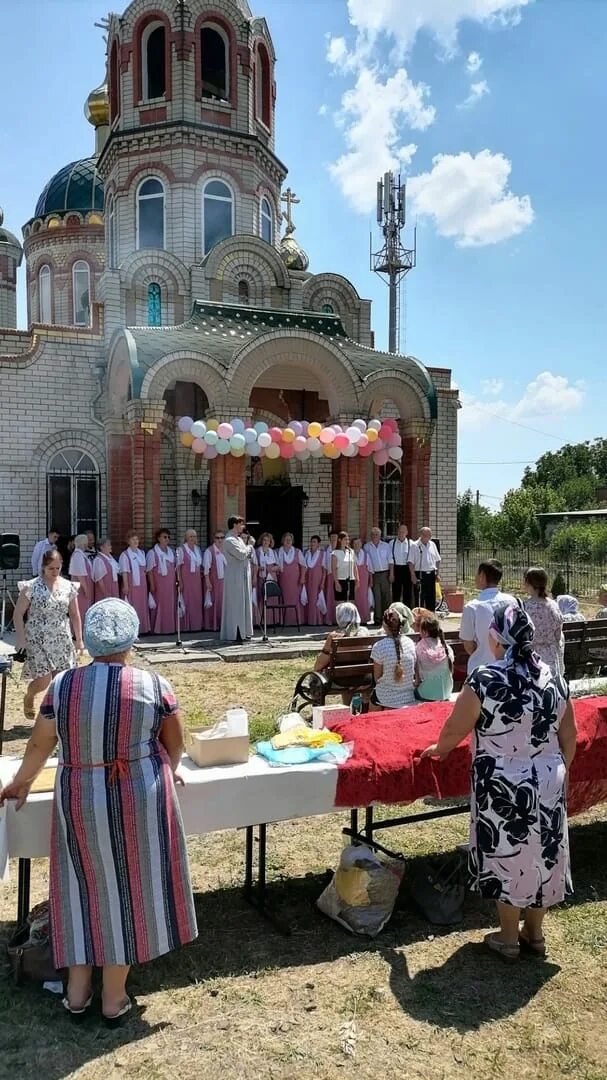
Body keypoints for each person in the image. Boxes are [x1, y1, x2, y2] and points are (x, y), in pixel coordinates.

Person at [0, 598, 197, 1020]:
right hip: (140, 793)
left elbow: (39, 745)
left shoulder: (62, 686)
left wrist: (22, 782)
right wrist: (169, 768)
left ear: (87, 639)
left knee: (78, 886)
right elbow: (175, 742)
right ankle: (113, 998)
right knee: (129, 889)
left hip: (79, 793)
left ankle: (76, 991)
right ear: (130, 639)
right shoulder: (154, 685)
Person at [422, 602, 577, 961]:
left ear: (497, 639)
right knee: (544, 855)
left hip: (503, 782)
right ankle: (534, 934)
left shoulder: (485, 679)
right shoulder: (554, 678)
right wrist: (554, 769)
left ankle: (508, 937)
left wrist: (440, 749)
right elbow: (569, 735)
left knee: (510, 855)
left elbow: (456, 727)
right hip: (548, 778)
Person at [13, 550, 83, 720]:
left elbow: (74, 614)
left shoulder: (69, 586)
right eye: (51, 568)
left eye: (58, 568)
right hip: (37, 639)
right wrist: (21, 639)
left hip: (61, 639)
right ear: (43, 567)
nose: (55, 572)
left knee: (62, 680)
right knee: (43, 680)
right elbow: (17, 614)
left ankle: (57, 715)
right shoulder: (31, 587)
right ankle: (29, 696)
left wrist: (79, 640)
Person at [459, 559, 517, 674]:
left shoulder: (472, 607)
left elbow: (468, 645)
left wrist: (482, 652)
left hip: (481, 669)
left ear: (482, 575)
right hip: (509, 667)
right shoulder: (512, 602)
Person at [370, 607, 416, 709]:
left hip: (385, 697)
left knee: (373, 699)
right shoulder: (410, 643)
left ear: (384, 625)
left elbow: (377, 678)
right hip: (408, 696)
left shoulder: (379, 646)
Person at [523, 567, 564, 676]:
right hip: (551, 656)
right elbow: (558, 634)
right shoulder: (553, 605)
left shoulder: (525, 607)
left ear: (528, 583)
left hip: (532, 658)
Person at [221, 515, 254, 642]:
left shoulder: (238, 539)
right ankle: (234, 632)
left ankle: (243, 631)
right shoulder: (229, 540)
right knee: (236, 604)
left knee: (243, 602)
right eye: (241, 524)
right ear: (234, 525)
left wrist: (247, 549)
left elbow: (247, 555)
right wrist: (250, 546)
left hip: (243, 574)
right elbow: (241, 554)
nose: (243, 527)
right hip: (234, 576)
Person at [314, 601, 370, 673]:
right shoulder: (364, 632)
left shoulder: (334, 636)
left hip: (339, 681)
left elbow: (319, 664)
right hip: (363, 678)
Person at [415, 614, 454, 701]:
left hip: (427, 694)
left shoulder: (419, 647)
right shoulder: (446, 647)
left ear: (424, 632)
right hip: (447, 692)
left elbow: (417, 678)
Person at [146, 529, 177, 635]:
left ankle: (169, 628)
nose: (167, 539)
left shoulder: (172, 552)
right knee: (159, 604)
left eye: (168, 537)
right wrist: (152, 584)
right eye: (164, 537)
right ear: (158, 538)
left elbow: (175, 568)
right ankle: (158, 628)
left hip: (170, 583)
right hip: (159, 583)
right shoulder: (152, 553)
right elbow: (149, 570)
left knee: (170, 604)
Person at [119, 530, 150, 635]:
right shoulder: (125, 555)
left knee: (142, 605)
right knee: (133, 606)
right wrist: (126, 586)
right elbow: (125, 571)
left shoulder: (141, 553)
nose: (136, 541)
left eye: (137, 539)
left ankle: (143, 629)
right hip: (132, 584)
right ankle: (132, 630)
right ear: (128, 541)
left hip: (142, 584)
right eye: (133, 539)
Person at [177, 528, 204, 633]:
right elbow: (178, 567)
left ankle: (196, 626)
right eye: (190, 536)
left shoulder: (197, 549)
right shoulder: (181, 550)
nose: (193, 538)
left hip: (196, 580)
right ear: (186, 538)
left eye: (194, 536)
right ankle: (186, 626)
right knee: (187, 601)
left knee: (196, 601)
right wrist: (180, 581)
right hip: (186, 580)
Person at [409, 527, 441, 612]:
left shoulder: (432, 544)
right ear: (421, 535)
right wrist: (412, 576)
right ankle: (419, 618)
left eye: (430, 535)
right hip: (420, 574)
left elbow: (438, 560)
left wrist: (437, 573)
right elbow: (411, 562)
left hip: (431, 574)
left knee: (431, 598)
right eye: (426, 535)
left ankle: (431, 619)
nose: (428, 537)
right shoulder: (414, 545)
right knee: (419, 598)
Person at [277, 532, 306, 626]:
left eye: (290, 539)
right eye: (286, 539)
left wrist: (302, 577)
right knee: (284, 599)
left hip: (295, 581)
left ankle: (296, 621)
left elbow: (304, 566)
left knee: (295, 600)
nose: (288, 541)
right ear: (283, 541)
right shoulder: (278, 551)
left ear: (292, 541)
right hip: (283, 580)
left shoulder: (298, 552)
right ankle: (284, 621)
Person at [365, 527, 392, 626]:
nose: (374, 536)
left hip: (385, 573)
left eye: (376, 534)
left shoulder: (386, 546)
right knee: (377, 597)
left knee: (386, 597)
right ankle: (377, 620)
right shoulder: (367, 547)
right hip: (374, 575)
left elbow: (390, 560)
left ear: (380, 535)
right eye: (373, 534)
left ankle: (388, 619)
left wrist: (391, 573)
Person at [203, 530, 226, 632]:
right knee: (214, 602)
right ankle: (213, 625)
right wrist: (208, 581)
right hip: (214, 580)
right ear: (214, 539)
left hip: (225, 581)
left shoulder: (226, 550)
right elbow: (206, 569)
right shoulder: (209, 551)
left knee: (223, 602)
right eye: (218, 538)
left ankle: (223, 624)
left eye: (222, 537)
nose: (220, 540)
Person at [69, 533, 94, 624]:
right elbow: (80, 575)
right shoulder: (77, 555)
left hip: (84, 587)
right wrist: (86, 589)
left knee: (84, 608)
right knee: (81, 608)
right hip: (81, 589)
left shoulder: (81, 554)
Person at [389, 523, 414, 609]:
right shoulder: (392, 543)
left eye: (403, 532)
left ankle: (407, 613)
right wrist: (391, 574)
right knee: (396, 593)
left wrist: (412, 574)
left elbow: (412, 560)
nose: (401, 533)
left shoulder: (411, 544)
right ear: (397, 532)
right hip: (396, 569)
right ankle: (396, 613)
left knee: (407, 593)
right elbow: (391, 559)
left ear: (406, 532)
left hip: (407, 569)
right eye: (400, 531)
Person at [304, 535, 326, 626]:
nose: (312, 543)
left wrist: (322, 582)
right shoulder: (307, 553)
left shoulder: (322, 554)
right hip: (308, 580)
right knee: (308, 599)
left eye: (314, 542)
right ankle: (308, 620)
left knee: (316, 600)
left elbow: (324, 570)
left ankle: (316, 620)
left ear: (318, 544)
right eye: (311, 542)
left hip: (317, 579)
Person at [331, 530, 358, 604]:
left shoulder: (351, 551)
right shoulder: (335, 553)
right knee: (340, 604)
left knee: (351, 603)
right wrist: (336, 583)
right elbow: (334, 569)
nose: (347, 541)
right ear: (340, 540)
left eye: (348, 539)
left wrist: (357, 579)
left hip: (350, 580)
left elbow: (354, 566)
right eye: (345, 539)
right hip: (340, 580)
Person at [353, 537, 371, 625]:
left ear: (361, 544)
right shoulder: (350, 554)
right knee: (354, 598)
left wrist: (371, 581)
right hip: (353, 578)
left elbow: (370, 568)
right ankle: (354, 619)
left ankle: (364, 619)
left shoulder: (366, 555)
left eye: (358, 543)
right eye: (355, 543)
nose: (357, 545)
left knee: (363, 598)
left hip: (364, 579)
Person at [323, 530, 339, 625]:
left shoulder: (341, 550)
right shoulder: (326, 550)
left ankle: (338, 619)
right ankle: (329, 619)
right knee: (329, 598)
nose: (333, 539)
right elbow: (324, 565)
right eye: (332, 537)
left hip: (339, 575)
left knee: (338, 598)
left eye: (335, 537)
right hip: (329, 575)